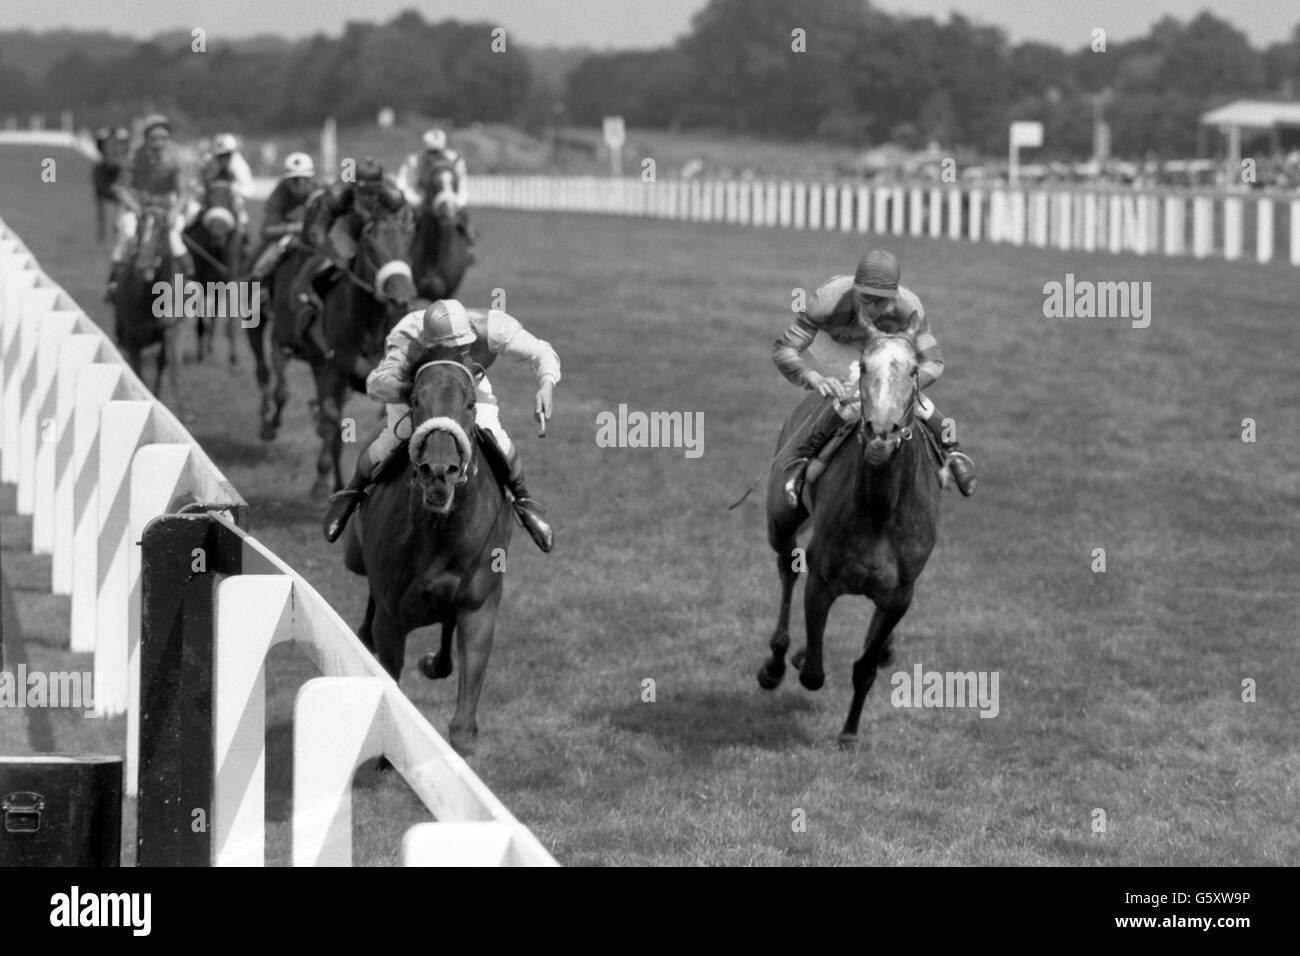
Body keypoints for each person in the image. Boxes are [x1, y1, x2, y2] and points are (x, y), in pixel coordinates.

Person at [322, 299, 558, 553]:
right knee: (391, 439)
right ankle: (351, 493)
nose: (457, 353)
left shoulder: (493, 327)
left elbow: (541, 351)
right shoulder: (407, 334)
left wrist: (546, 383)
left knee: (495, 433)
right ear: (428, 343)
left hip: (467, 388)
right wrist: (416, 394)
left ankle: (523, 499)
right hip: (419, 391)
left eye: (462, 347)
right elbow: (376, 384)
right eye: (448, 348)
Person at [773, 249, 976, 507]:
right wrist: (812, 377)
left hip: (884, 346)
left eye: (881, 301)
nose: (871, 307)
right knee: (857, 390)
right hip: (832, 343)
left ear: (895, 296)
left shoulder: (909, 306)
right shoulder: (827, 300)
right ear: (855, 288)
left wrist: (903, 387)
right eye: (866, 298)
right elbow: (785, 349)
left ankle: (954, 451)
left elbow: (934, 362)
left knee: (903, 395)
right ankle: (801, 460)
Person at [290, 156, 405, 350]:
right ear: (354, 189)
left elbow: (405, 215)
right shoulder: (339, 195)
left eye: (373, 193)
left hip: (378, 225)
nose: (369, 198)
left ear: (381, 189)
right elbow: (321, 220)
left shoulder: (392, 197)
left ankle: (403, 302)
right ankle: (307, 301)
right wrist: (321, 239)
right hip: (349, 225)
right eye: (363, 193)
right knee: (327, 260)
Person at [105, 114, 192, 302]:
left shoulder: (176, 158)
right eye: (154, 138)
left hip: (166, 209)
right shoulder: (134, 157)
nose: (159, 143)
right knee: (127, 236)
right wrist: (135, 207)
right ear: (146, 139)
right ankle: (114, 283)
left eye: (163, 138)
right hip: (139, 208)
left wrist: (174, 211)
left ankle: (190, 284)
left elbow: (183, 192)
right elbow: (121, 188)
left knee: (175, 239)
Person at [245, 152, 320, 304]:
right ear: (286, 181)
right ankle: (261, 297)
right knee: (259, 267)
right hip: (284, 241)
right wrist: (294, 228)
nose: (300, 184)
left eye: (304, 179)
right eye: (294, 180)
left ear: (311, 179)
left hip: (316, 238)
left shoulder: (320, 192)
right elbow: (267, 230)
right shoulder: (280, 193)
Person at [398, 128, 474, 247]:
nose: (435, 156)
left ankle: (468, 244)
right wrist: (417, 201)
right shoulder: (415, 160)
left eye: (438, 152)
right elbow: (405, 184)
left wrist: (457, 202)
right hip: (422, 206)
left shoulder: (455, 159)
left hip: (450, 205)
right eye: (432, 152)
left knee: (463, 221)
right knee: (406, 225)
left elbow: (463, 185)